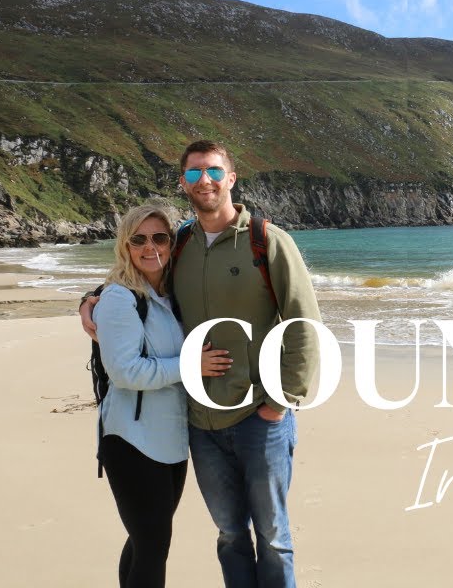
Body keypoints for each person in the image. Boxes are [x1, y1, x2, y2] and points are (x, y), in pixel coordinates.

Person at [85, 140, 322, 588]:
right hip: (199, 423)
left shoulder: (267, 241)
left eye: (213, 171)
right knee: (230, 535)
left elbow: (304, 323)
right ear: (183, 183)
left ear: (231, 178)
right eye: (193, 174)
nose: (204, 181)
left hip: (260, 416)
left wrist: (281, 401)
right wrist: (91, 300)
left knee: (272, 537)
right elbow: (137, 272)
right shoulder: (181, 245)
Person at [94, 200, 232, 588]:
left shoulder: (170, 296)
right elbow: (125, 373)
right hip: (132, 441)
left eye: (159, 238)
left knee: (145, 541)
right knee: (154, 545)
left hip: (170, 441)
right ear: (125, 246)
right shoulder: (120, 298)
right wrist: (191, 366)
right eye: (138, 239)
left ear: (172, 244)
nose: (149, 247)